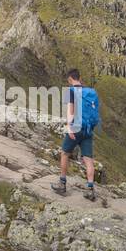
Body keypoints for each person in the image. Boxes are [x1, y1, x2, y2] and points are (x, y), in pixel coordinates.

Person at [51, 69, 100, 201]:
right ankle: (90, 188)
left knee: (65, 153)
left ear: (69, 79)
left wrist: (69, 127)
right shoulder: (90, 92)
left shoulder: (70, 91)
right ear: (80, 77)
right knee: (88, 159)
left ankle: (62, 183)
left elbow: (70, 111)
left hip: (76, 128)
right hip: (88, 129)